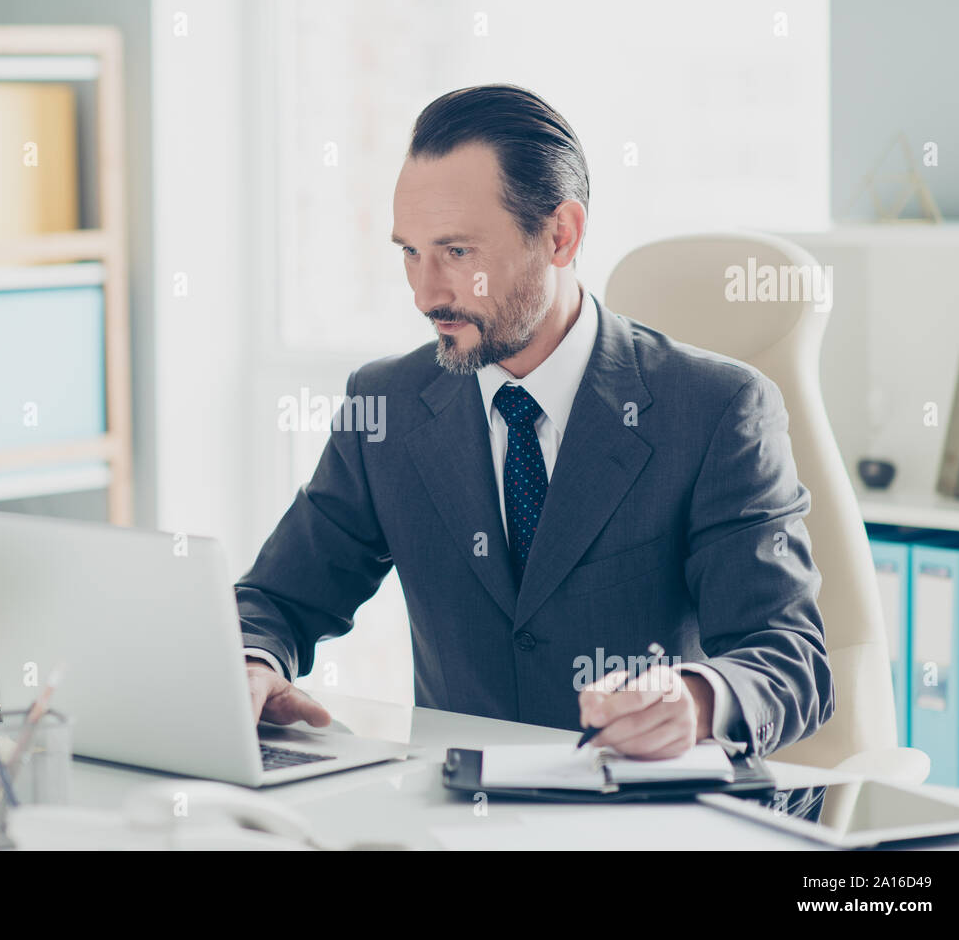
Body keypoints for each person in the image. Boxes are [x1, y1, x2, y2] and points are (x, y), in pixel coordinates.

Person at [237, 84, 834, 759]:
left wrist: (699, 697)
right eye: (410, 251)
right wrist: (255, 661)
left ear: (560, 234)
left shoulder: (718, 409)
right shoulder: (386, 406)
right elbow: (275, 599)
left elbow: (789, 656)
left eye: (457, 252)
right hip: (455, 819)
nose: (426, 292)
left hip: (646, 815)